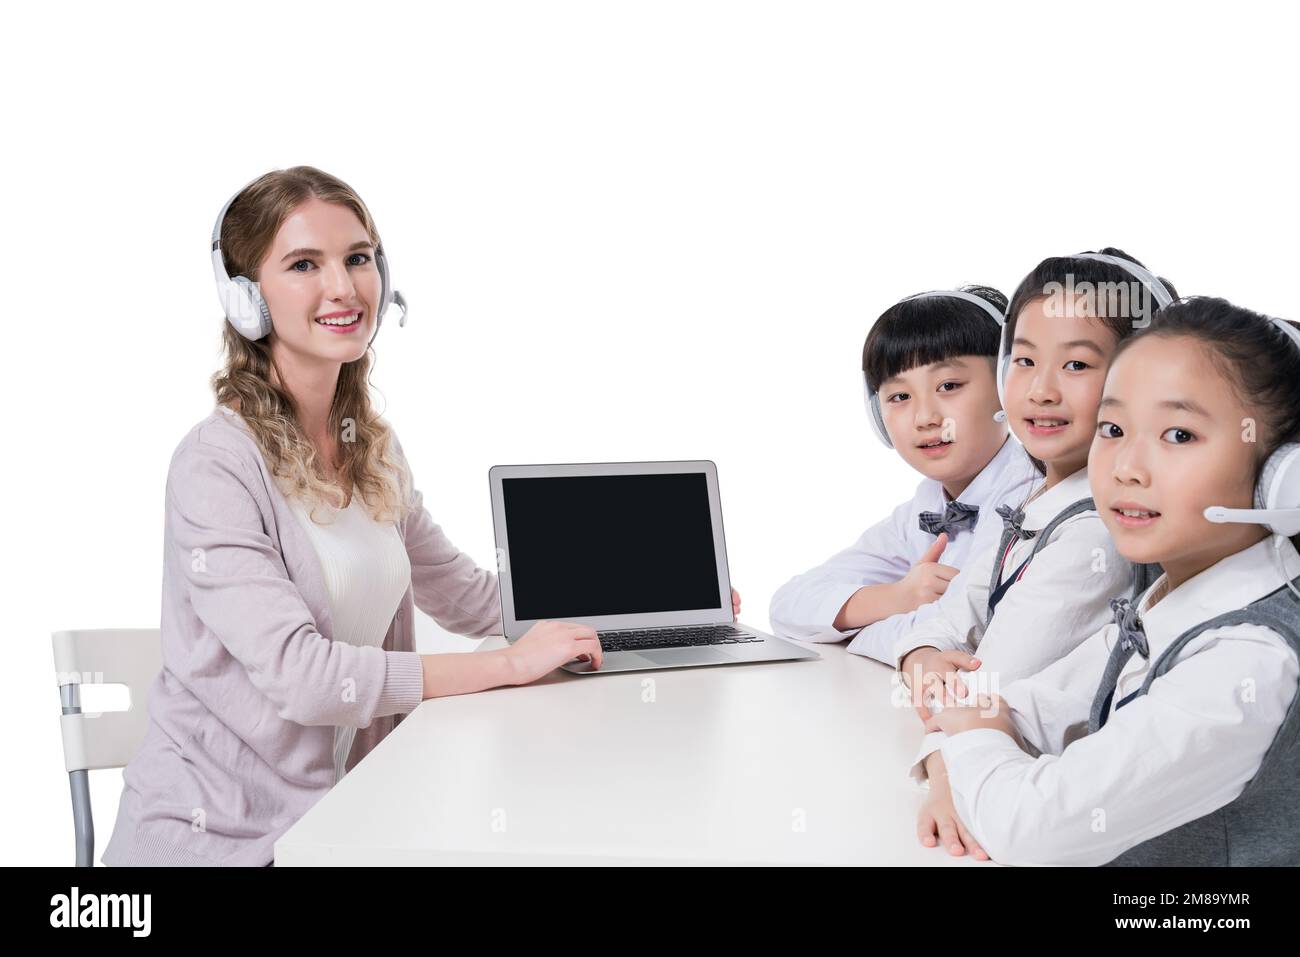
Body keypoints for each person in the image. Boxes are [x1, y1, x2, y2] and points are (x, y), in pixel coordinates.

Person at [102, 166, 741, 865]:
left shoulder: (369, 446)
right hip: (227, 839)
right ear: (246, 298)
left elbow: (467, 596)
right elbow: (305, 677)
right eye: (304, 264)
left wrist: (644, 606)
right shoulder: (215, 464)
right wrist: (508, 665)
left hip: (346, 815)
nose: (343, 287)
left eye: (358, 257)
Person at [922, 297, 1300, 866]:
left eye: (1178, 435)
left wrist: (972, 747)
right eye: (1114, 427)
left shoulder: (1248, 657)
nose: (1125, 466)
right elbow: (1019, 706)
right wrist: (959, 751)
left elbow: (1031, 833)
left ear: (1283, 477)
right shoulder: (1173, 594)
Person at [769, 286, 1038, 662]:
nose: (925, 417)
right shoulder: (924, 505)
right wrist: (898, 597)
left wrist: (859, 633)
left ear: (1006, 387)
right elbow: (788, 605)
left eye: (949, 386)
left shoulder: (1033, 496)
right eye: (899, 397)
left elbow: (969, 641)